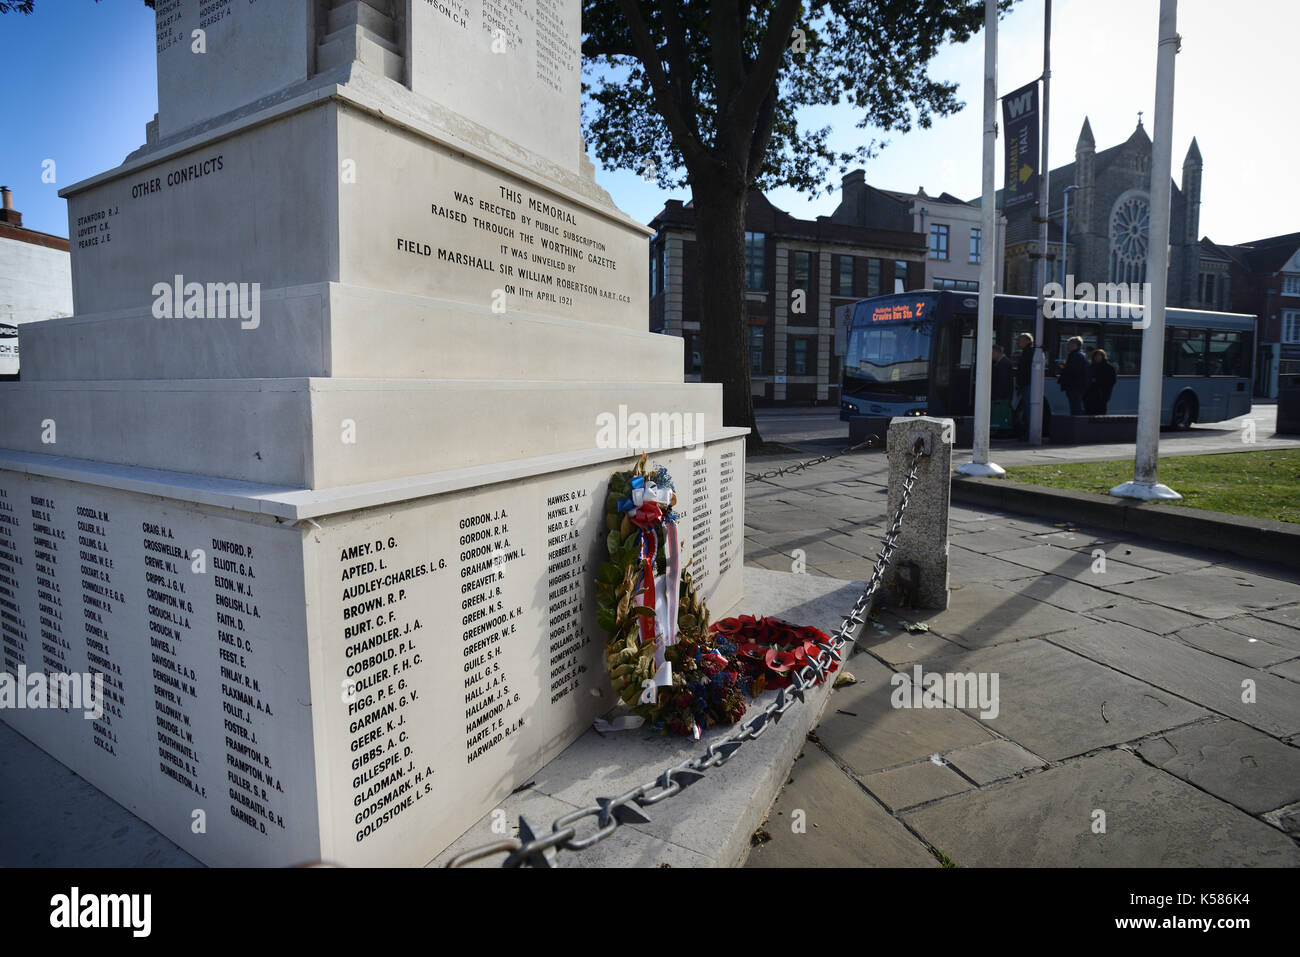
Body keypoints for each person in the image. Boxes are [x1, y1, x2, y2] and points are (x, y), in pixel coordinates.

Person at [1057, 335, 1090, 416]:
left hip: (1075, 386)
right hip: (1077, 386)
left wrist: (1063, 369)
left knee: (1075, 407)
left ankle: (1077, 425)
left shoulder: (1076, 356)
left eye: (1069, 344)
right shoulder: (1079, 355)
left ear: (1075, 345)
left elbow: (1074, 371)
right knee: (1076, 406)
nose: (1068, 346)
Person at [1084, 348, 1117, 415]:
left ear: (1103, 357)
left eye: (1099, 356)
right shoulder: (1090, 367)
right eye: (1096, 356)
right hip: (1089, 394)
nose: (1097, 358)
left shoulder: (1109, 368)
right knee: (1089, 410)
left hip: (1102, 393)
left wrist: (1098, 381)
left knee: (1100, 410)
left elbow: (1112, 380)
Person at [990, 344, 1014, 432]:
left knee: (1000, 413)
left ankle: (1002, 430)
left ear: (997, 352)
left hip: (1002, 396)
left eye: (992, 352)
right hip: (1004, 395)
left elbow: (1002, 382)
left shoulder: (1003, 363)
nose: (991, 355)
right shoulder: (1004, 362)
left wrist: (998, 396)